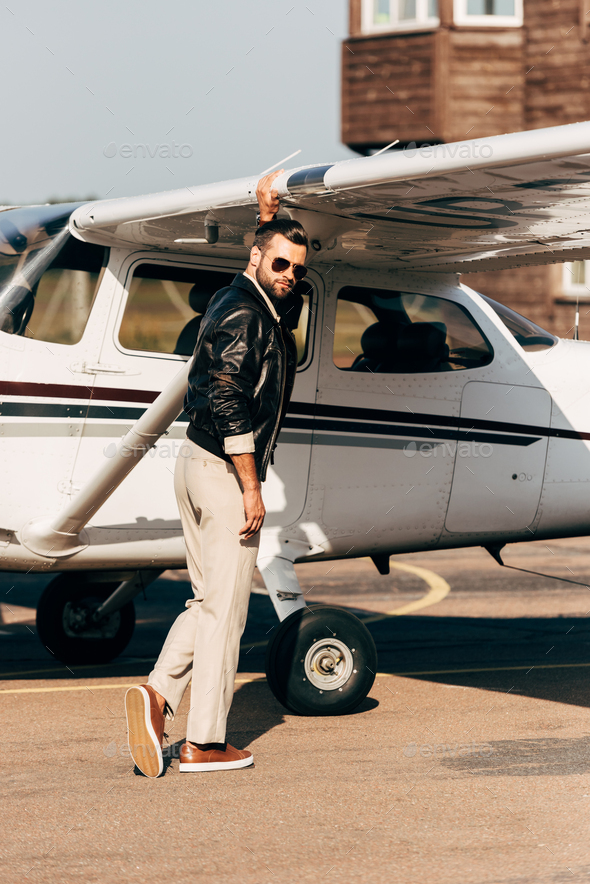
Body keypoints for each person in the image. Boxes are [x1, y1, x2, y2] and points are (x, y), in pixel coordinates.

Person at [124, 172, 309, 776]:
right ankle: (205, 742)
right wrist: (253, 487)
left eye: (296, 270)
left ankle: (156, 696)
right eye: (280, 264)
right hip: (226, 474)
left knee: (207, 600)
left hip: (196, 463)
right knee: (228, 612)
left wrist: (268, 213)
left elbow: (267, 263)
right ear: (257, 259)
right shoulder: (249, 318)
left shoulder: (242, 296)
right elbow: (228, 395)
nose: (288, 277)